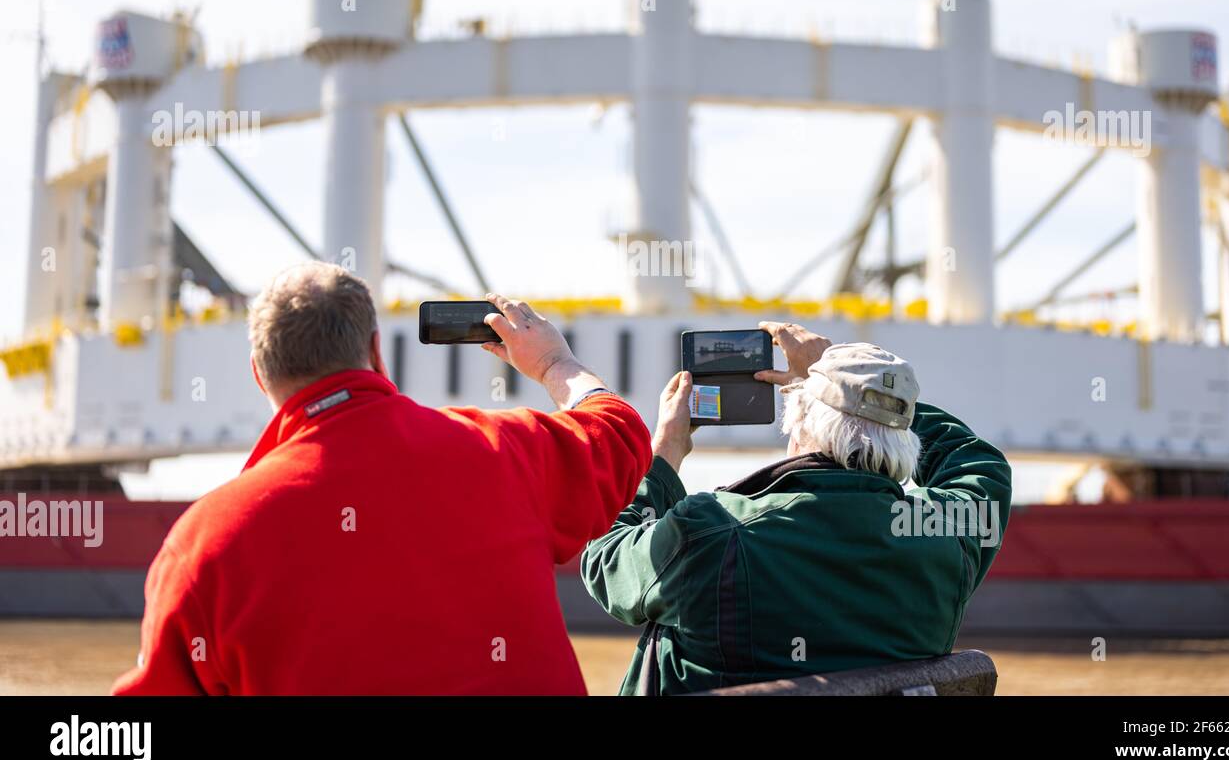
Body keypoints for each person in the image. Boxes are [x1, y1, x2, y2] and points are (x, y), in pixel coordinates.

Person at [112, 263, 650, 695]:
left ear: (260, 374)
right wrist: (554, 362)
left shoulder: (203, 543)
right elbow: (620, 435)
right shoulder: (504, 451)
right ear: (374, 352)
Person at [581, 321, 1012, 695]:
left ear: (799, 422)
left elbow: (607, 560)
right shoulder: (942, 530)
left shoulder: (712, 532)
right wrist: (872, 396)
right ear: (904, 437)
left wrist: (664, 455)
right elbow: (978, 465)